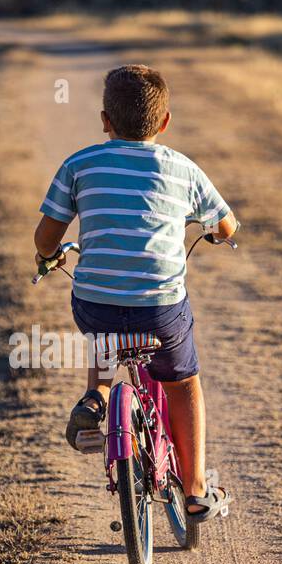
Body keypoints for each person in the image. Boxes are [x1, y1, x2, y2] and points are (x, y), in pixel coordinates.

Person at [34, 63, 236, 521]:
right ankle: (197, 489)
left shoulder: (79, 165)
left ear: (106, 120)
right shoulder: (182, 169)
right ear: (164, 123)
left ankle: (97, 396)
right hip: (160, 310)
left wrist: (47, 256)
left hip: (96, 305)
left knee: (103, 321)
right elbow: (225, 225)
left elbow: (46, 238)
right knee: (183, 382)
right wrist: (220, 233)